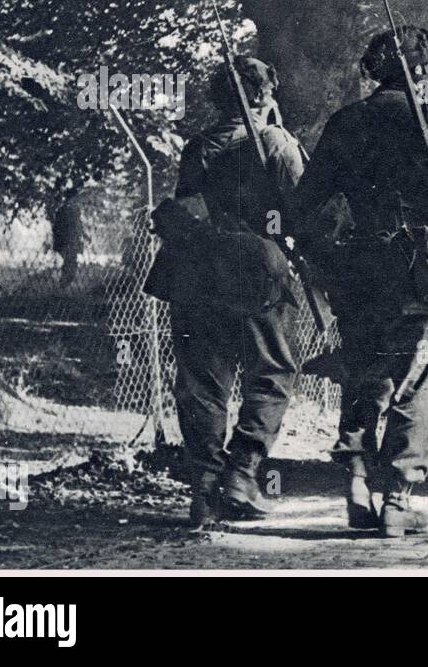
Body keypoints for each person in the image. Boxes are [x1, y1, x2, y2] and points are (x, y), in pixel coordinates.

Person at [291, 25, 428, 536]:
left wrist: (321, 252)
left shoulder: (346, 123)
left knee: (364, 373)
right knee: (417, 382)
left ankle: (357, 483)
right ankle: (396, 503)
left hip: (358, 271)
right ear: (421, 71)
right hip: (420, 274)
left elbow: (305, 202)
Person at [147, 55, 305, 529]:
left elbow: (192, 202)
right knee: (274, 372)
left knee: (201, 382)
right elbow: (302, 207)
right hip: (256, 271)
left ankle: (203, 491)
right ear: (261, 96)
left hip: (196, 271)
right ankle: (242, 472)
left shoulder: (198, 145)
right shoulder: (277, 142)